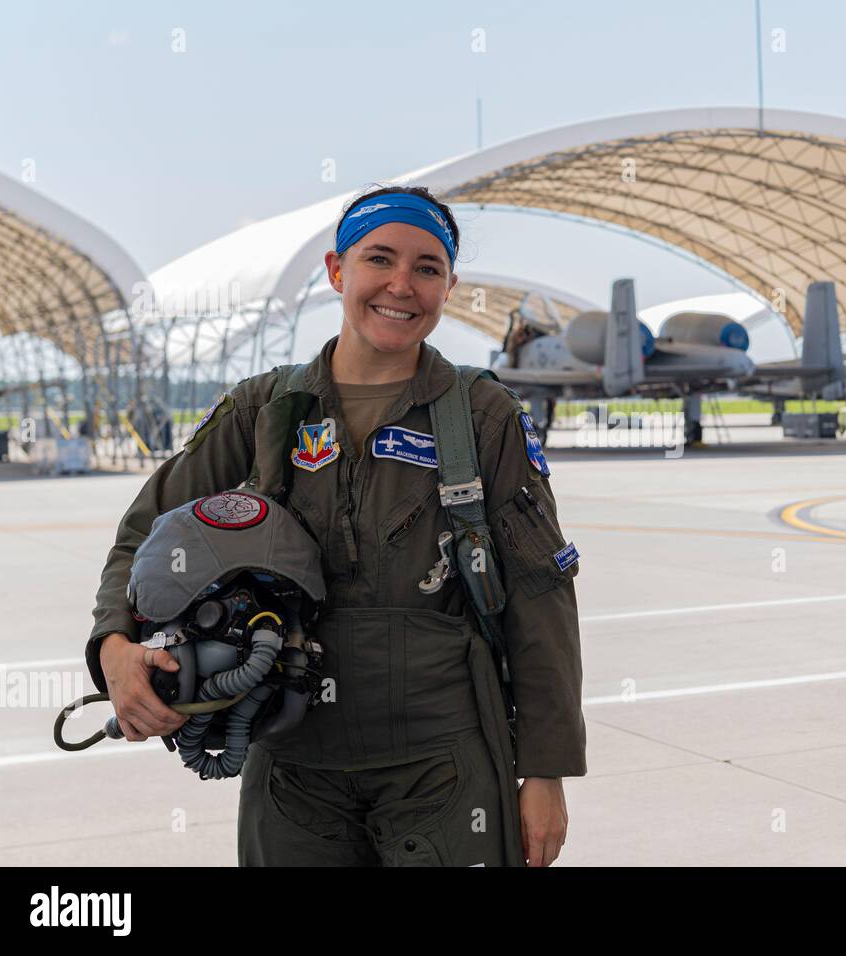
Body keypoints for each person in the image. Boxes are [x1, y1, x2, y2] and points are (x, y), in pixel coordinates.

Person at [84, 183, 587, 867]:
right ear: (336, 271)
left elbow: (539, 592)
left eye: (427, 268)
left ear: (449, 286)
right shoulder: (262, 409)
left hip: (444, 764)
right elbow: (146, 531)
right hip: (294, 763)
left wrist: (546, 770)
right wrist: (114, 644)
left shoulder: (483, 415)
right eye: (379, 259)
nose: (401, 285)